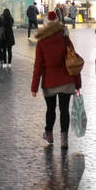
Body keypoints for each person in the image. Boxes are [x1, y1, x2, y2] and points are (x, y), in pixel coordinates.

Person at [32, 10, 81, 147]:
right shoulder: (65, 38)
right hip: (67, 80)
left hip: (50, 81)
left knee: (51, 109)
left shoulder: (42, 42)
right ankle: (64, 140)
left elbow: (38, 66)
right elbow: (74, 60)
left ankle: (49, 133)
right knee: (64, 110)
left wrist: (34, 87)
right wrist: (78, 83)